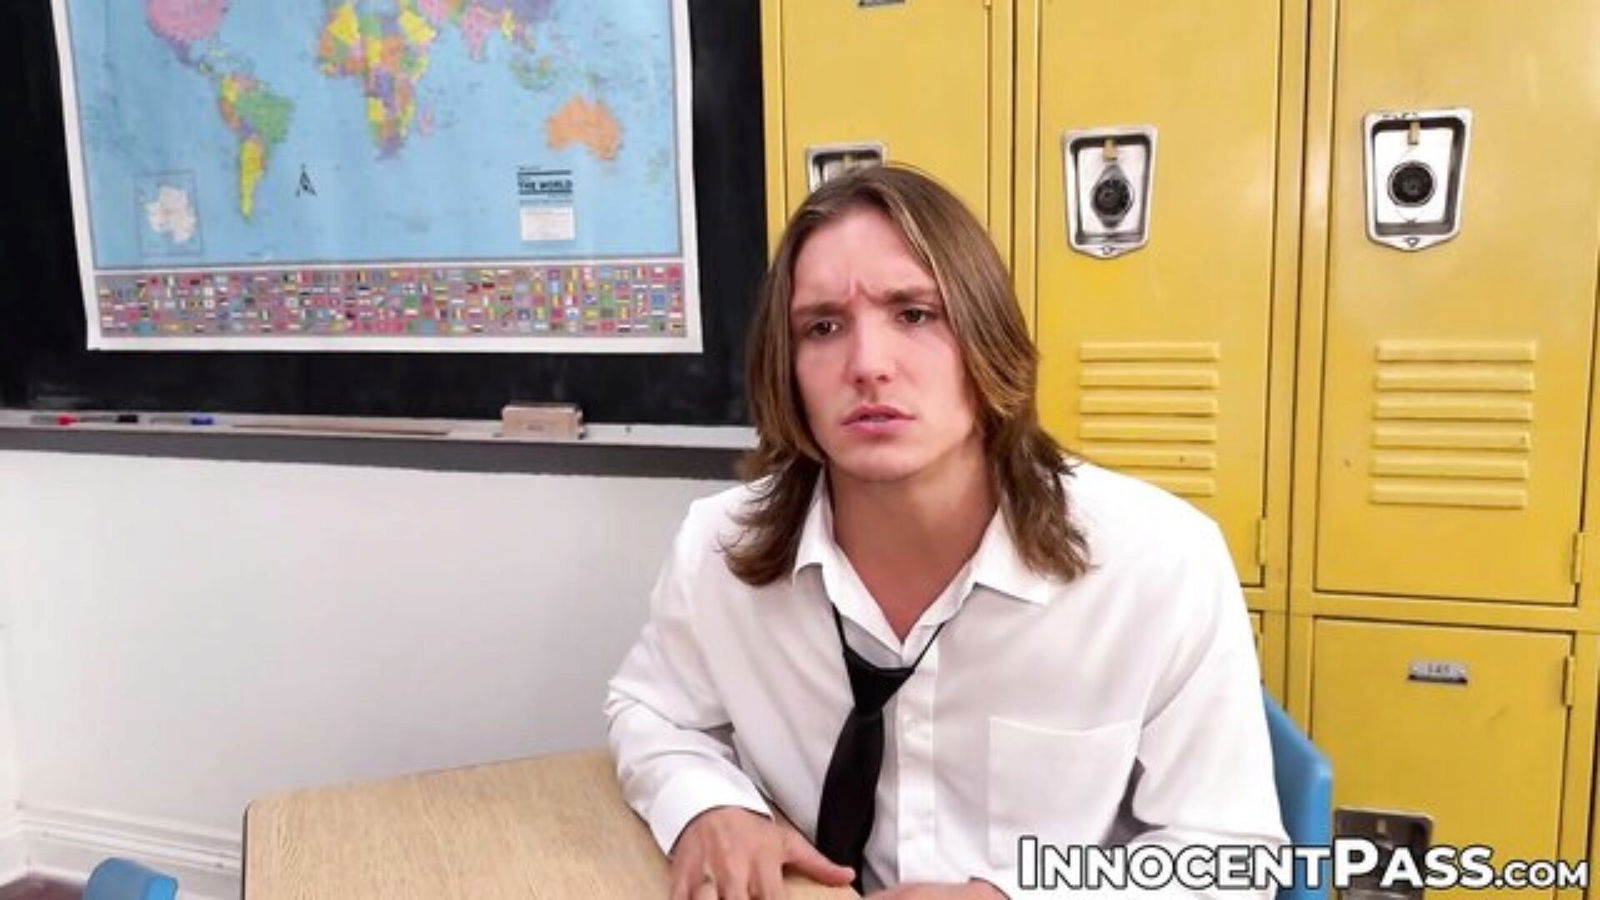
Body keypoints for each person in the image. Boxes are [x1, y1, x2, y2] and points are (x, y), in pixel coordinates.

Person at [604, 165, 1284, 899]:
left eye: (916, 314)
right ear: (787, 366)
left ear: (985, 338)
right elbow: (649, 709)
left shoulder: (1157, 564)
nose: (868, 365)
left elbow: (1232, 855)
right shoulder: (719, 547)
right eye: (823, 327)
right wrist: (709, 804)